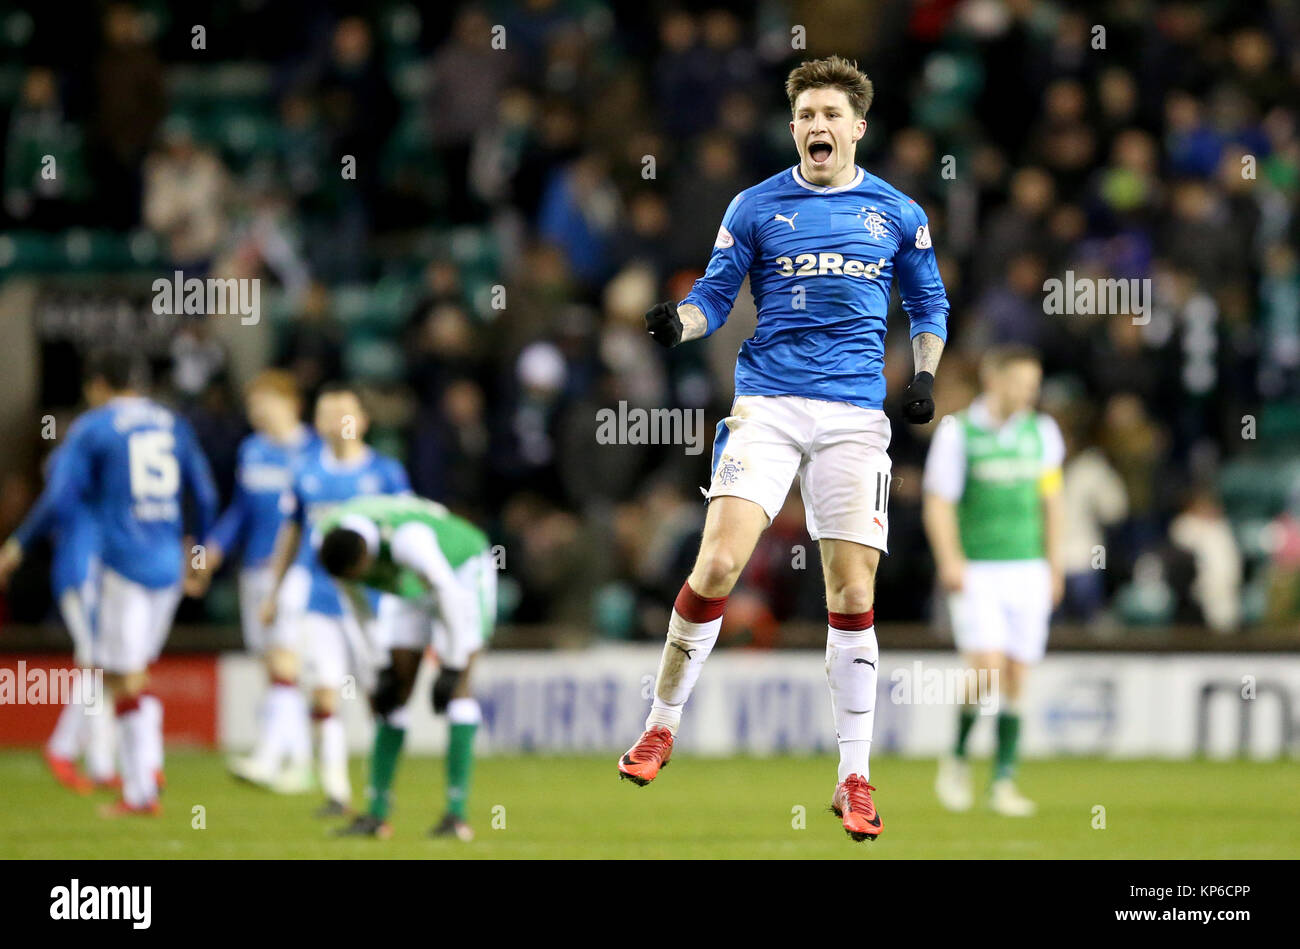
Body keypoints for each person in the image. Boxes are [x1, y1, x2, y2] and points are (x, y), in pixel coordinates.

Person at [623, 55, 950, 843]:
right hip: (767, 402)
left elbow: (929, 301)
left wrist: (926, 377)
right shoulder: (756, 204)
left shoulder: (897, 212)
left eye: (831, 115)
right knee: (718, 562)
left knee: (849, 588)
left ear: (857, 127)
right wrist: (681, 322)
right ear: (794, 127)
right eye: (805, 115)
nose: (817, 127)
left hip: (852, 415)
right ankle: (662, 722)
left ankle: (854, 774)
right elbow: (712, 296)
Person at [0, 352, 219, 816]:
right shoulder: (173, 423)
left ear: (96, 386)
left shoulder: (93, 428)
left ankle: (135, 789)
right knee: (129, 672)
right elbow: (205, 493)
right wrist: (197, 554)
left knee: (118, 676)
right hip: (168, 566)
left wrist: (19, 543)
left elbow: (60, 497)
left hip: (123, 565)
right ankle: (140, 773)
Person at [923, 345, 1065, 817]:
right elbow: (939, 501)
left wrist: (1055, 565)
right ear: (994, 380)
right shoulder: (959, 432)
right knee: (986, 667)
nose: (1030, 392)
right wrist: (951, 560)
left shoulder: (1042, 431)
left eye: (1034, 384)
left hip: (1028, 567)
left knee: (1017, 673)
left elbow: (1052, 501)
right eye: (1022, 383)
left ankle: (1003, 780)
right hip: (979, 567)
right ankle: (958, 758)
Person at [259, 383, 410, 815]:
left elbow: (406, 534)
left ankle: (379, 789)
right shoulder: (307, 472)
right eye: (326, 413)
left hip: (375, 603)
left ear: (361, 420)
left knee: (377, 697)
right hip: (321, 600)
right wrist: (274, 591)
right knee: (324, 693)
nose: (335, 421)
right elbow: (290, 534)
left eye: (343, 412)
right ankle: (336, 792)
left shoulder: (385, 473)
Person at [314, 494, 494, 841]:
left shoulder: (410, 541)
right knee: (393, 693)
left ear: (366, 556)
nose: (362, 580)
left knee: (457, 692)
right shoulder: (331, 546)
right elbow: (359, 611)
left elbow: (446, 589)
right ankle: (376, 816)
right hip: (409, 585)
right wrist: (379, 664)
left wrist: (453, 665)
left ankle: (456, 817)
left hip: (461, 571)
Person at [194, 370, 319, 792]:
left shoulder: (315, 452)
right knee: (273, 667)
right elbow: (241, 510)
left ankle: (268, 756)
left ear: (290, 403)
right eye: (252, 404)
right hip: (254, 569)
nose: (256, 411)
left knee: (284, 659)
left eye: (264, 401)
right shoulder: (251, 451)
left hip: (298, 571)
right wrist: (212, 548)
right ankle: (299, 764)